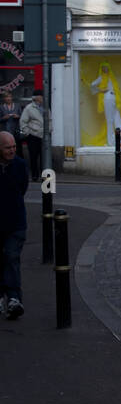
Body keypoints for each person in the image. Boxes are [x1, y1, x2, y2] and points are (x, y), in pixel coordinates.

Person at [0, 131, 28, 319]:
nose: (12, 151)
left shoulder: (20, 165)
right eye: (8, 148)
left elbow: (22, 188)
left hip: (16, 222)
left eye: (14, 147)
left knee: (11, 257)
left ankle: (14, 298)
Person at [20, 91, 45, 172]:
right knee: (33, 156)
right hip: (33, 136)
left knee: (44, 157)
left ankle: (43, 174)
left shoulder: (45, 107)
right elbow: (23, 122)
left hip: (44, 136)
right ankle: (35, 175)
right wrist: (28, 133)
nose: (43, 98)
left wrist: (50, 129)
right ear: (37, 98)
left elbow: (49, 120)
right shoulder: (29, 108)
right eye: (41, 96)